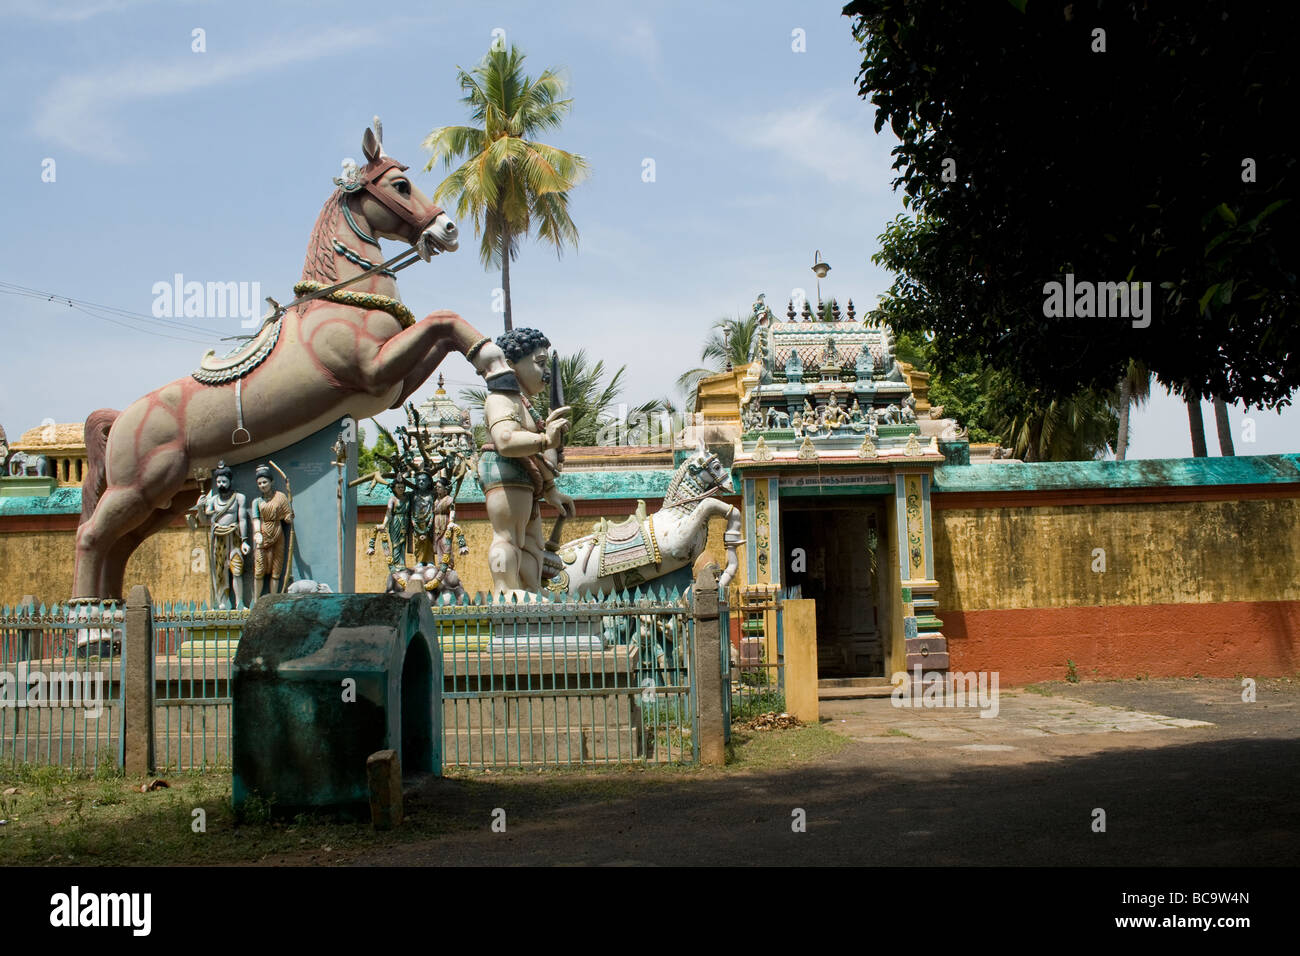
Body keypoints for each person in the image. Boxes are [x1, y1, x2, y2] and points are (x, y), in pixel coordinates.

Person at [477, 328, 575, 595]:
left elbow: (533, 453)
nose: (546, 373)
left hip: (527, 478)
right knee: (509, 537)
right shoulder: (501, 399)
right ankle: (505, 591)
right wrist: (546, 439)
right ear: (510, 365)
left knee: (531, 543)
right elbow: (506, 440)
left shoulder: (522, 403)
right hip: (505, 471)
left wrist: (551, 491)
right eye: (540, 363)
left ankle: (530, 590)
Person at [202, 461, 249, 609]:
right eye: (218, 482)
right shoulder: (212, 500)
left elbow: (242, 520)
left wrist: (245, 541)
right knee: (220, 570)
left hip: (234, 537)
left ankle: (239, 602)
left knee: (237, 569)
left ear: (230, 481)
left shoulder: (239, 498)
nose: (221, 484)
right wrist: (199, 507)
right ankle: (222, 602)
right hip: (219, 538)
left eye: (224, 481)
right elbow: (205, 520)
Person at [251, 464, 293, 601]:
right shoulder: (256, 502)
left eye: (265, 482)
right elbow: (256, 518)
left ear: (271, 482)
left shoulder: (280, 497)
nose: (263, 485)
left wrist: (289, 517)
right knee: (259, 569)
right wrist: (257, 532)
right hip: (262, 535)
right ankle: (256, 599)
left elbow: (287, 517)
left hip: (277, 533)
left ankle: (273, 599)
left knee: (276, 569)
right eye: (260, 483)